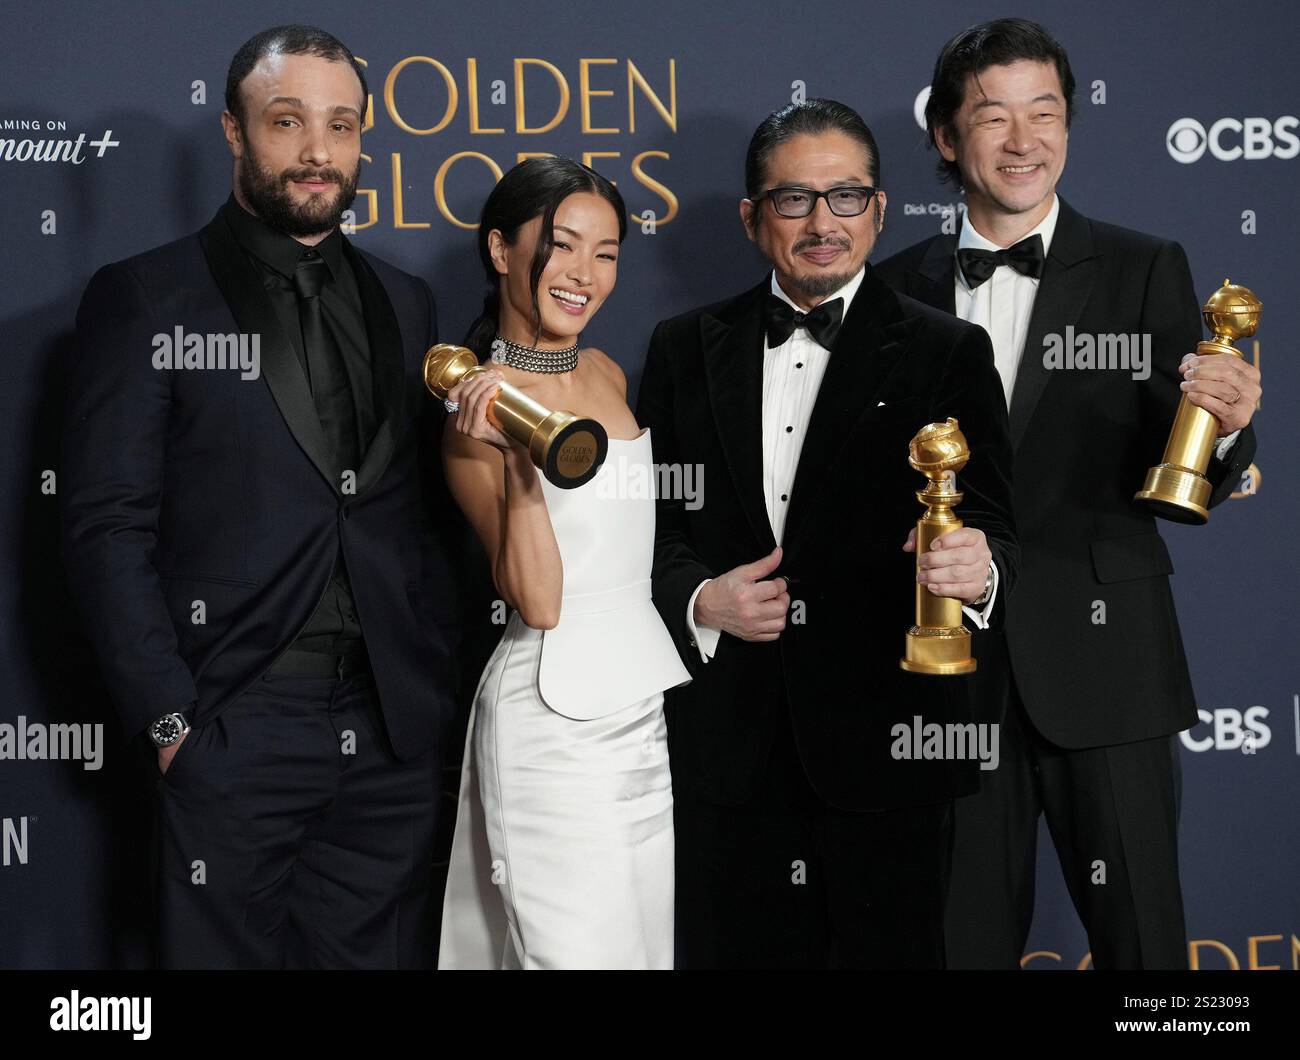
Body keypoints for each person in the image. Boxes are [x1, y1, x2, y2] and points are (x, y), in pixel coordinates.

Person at [60, 25, 465, 969]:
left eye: (342, 125)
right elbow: (105, 524)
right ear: (236, 133)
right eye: (288, 122)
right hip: (233, 724)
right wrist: (172, 724)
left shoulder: (407, 302)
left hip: (390, 739)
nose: (319, 151)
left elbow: (419, 517)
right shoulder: (147, 298)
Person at [875, 18, 1262, 970]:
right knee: (956, 948)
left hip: (1109, 671)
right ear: (945, 135)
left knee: (1149, 960)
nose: (1023, 141)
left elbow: (1192, 468)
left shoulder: (1145, 267)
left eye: (1044, 114)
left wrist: (1236, 421)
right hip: (950, 684)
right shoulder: (891, 292)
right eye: (995, 116)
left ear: (1069, 126)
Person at [635, 99, 1018, 969]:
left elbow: (996, 523)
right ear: (751, 216)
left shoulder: (948, 350)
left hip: (891, 747)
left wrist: (977, 570)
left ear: (881, 210)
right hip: (727, 747)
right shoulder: (681, 347)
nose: (822, 224)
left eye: (846, 197)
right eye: (793, 200)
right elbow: (645, 527)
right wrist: (700, 597)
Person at [436, 157, 690, 970]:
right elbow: (540, 602)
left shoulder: (611, 374)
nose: (586, 274)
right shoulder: (474, 412)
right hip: (549, 728)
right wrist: (517, 460)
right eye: (565, 245)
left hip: (637, 718)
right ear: (501, 250)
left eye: (608, 252)